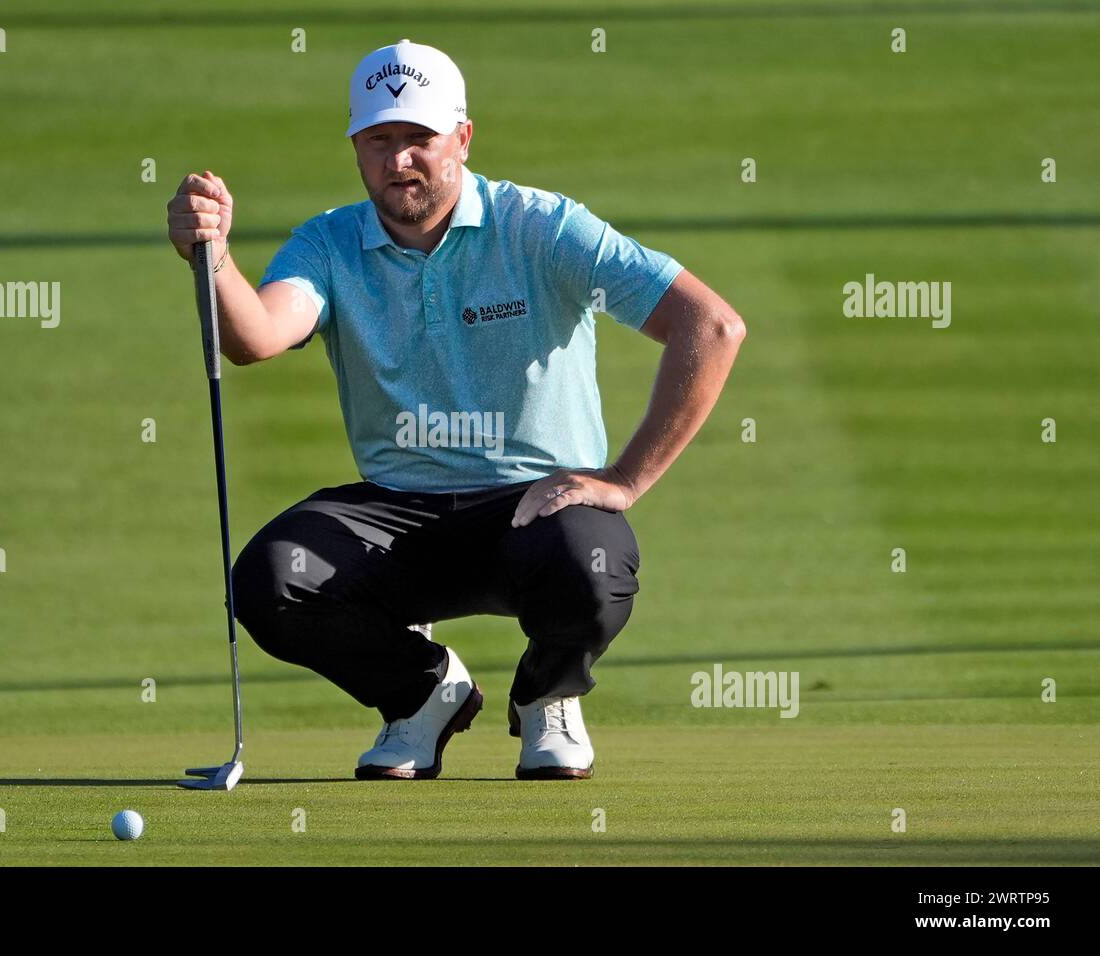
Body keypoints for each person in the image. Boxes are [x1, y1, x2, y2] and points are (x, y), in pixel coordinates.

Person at [166, 39, 745, 780]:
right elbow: (255, 338)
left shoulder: (541, 227)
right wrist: (212, 257)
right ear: (356, 148)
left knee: (593, 563)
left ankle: (548, 699)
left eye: (419, 139)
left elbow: (711, 326)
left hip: (535, 508)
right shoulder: (329, 243)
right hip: (398, 514)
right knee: (273, 576)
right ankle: (422, 695)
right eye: (380, 140)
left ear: (462, 139)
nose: (400, 159)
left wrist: (626, 480)